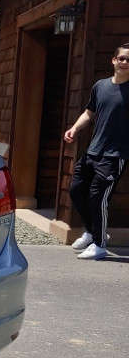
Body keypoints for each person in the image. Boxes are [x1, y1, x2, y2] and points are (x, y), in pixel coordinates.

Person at [63, 42, 129, 259]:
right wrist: (74, 128)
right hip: (93, 151)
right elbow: (89, 113)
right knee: (76, 190)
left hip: (115, 155)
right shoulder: (100, 86)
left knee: (98, 197)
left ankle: (100, 244)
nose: (125, 63)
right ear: (114, 60)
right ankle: (92, 232)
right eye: (122, 58)